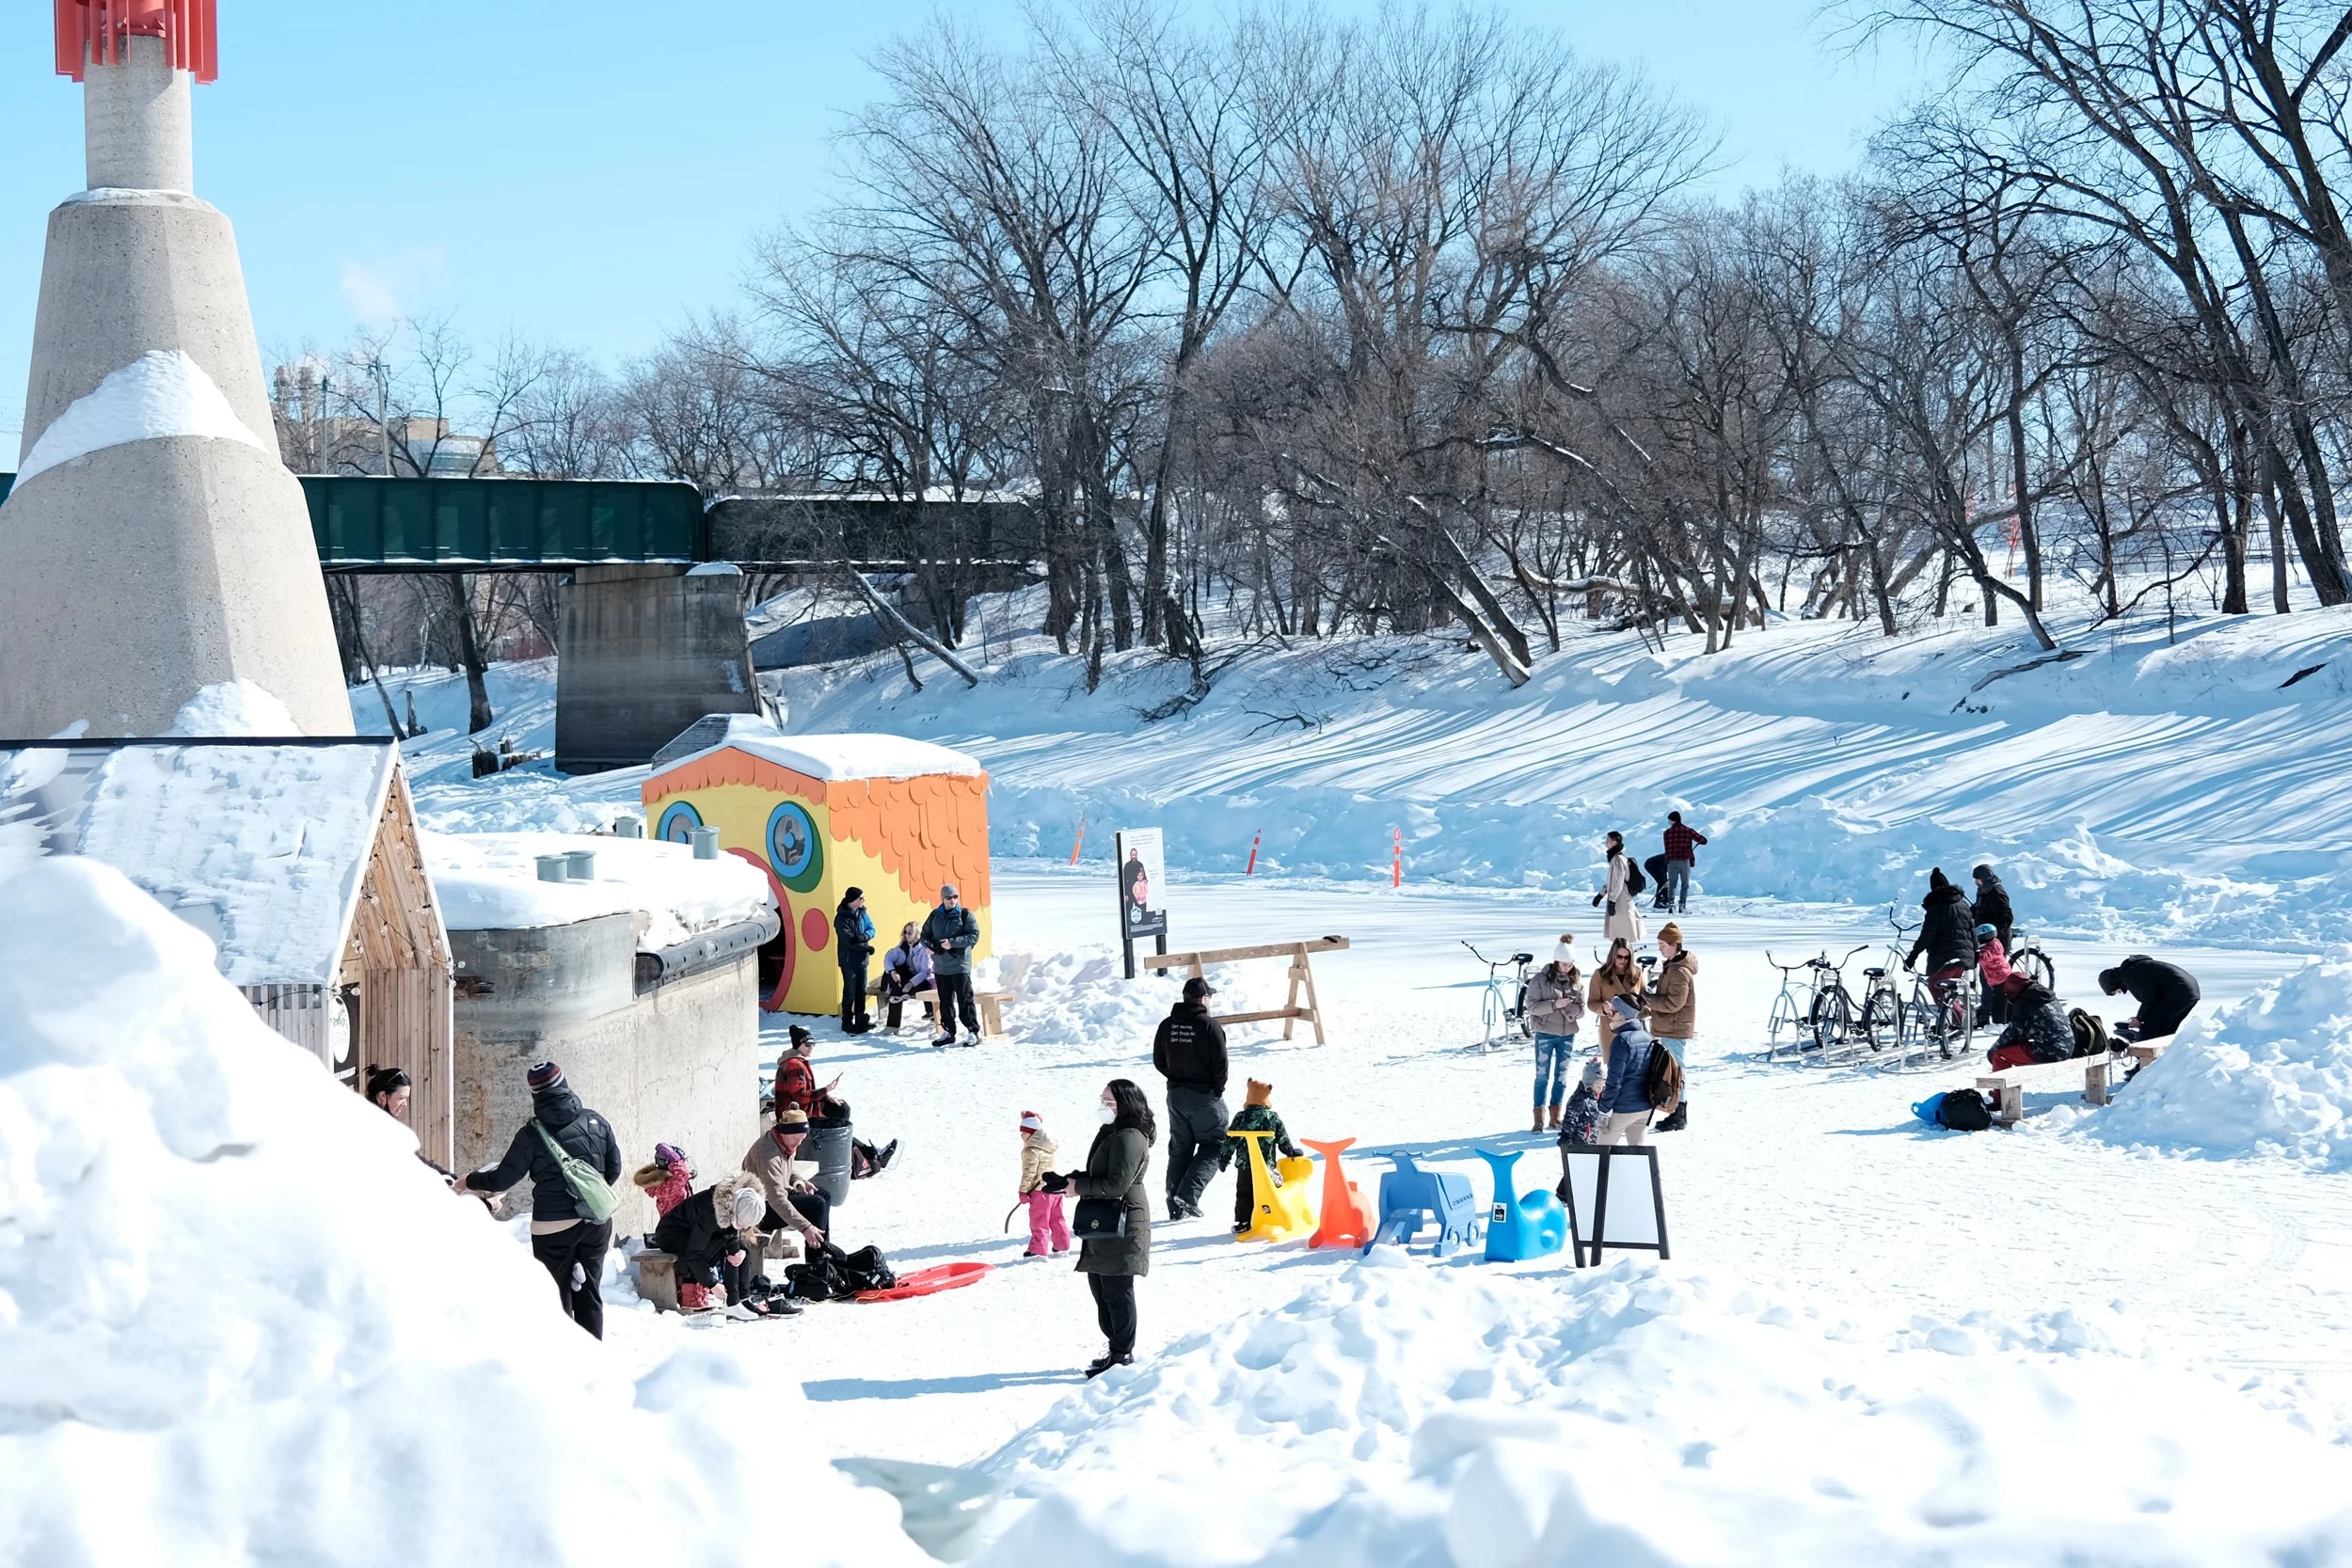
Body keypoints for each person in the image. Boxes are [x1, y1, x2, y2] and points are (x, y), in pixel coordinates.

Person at [454, 1062, 622, 1339]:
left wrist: (468, 1181)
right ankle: (593, 1363)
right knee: (590, 1291)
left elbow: (502, 1180)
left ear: (535, 1095)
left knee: (555, 1295)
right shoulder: (596, 1121)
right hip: (595, 1222)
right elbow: (613, 1170)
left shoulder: (531, 1135)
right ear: (565, 1085)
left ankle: (564, 1359)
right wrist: (586, 1198)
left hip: (553, 1228)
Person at [1036, 1078, 1154, 1378]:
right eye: (1102, 1100)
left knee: (1116, 1289)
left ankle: (1121, 1355)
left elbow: (1117, 1183)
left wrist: (1078, 1186)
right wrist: (1067, 1181)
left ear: (1126, 1103)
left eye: (1108, 1101)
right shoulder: (1111, 1132)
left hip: (1124, 1219)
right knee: (1100, 1288)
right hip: (1104, 1217)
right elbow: (1099, 1174)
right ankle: (1115, 1347)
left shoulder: (1130, 1137)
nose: (1103, 1106)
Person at [653, 1176, 795, 1317]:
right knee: (725, 1247)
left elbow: (732, 1235)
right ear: (736, 1213)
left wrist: (741, 1252)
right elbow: (694, 1254)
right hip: (671, 1234)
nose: (745, 1227)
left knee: (741, 1247)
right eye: (742, 1224)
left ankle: (742, 1299)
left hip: (693, 1232)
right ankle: (731, 1302)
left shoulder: (734, 1203)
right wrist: (712, 1284)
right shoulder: (711, 1213)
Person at [1151, 975, 1229, 1222]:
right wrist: (1216, 1089)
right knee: (1216, 1144)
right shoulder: (1209, 1025)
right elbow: (1221, 1064)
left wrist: (1176, 1078)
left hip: (1175, 1096)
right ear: (1203, 998)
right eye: (1209, 996)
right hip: (1204, 1096)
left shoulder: (1166, 1025)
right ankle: (1187, 1195)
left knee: (1181, 1147)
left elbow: (1158, 1061)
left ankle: (1174, 1200)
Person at [741, 1106, 833, 1252]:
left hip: (775, 1196)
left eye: (802, 1139)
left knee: (824, 1196)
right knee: (817, 1204)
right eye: (796, 1139)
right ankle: (817, 1262)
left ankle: (824, 1249)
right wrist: (805, 1227)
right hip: (758, 1210)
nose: (799, 1143)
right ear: (784, 1132)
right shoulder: (768, 1154)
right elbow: (776, 1199)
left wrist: (800, 1183)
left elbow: (786, 1170)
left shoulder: (784, 1142)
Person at [1521, 938, 1585, 1132]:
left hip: (1567, 1035)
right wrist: (1553, 1005)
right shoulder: (1540, 981)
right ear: (1556, 961)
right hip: (1545, 1034)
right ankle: (1538, 1118)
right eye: (1563, 963)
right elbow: (1531, 1006)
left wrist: (1576, 1011)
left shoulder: (1577, 981)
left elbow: (1583, 1008)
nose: (1566, 967)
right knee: (1542, 1076)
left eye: (1570, 963)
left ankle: (1556, 1116)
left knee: (1561, 1076)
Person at [1225, 1078, 1305, 1234]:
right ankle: (1271, 1215)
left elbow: (1231, 1139)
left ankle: (1244, 1221)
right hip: (1266, 1166)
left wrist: (1224, 1157)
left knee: (1244, 1192)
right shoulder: (1272, 1118)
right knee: (1268, 1191)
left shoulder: (1241, 1117)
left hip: (1245, 1165)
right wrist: (1289, 1151)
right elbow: (1282, 1138)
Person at [1906, 867, 1977, 1038]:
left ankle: (1960, 1022)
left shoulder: (1936, 907)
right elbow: (1972, 930)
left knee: (1936, 986)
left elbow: (1927, 936)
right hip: (1964, 956)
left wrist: (1913, 956)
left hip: (1944, 957)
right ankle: (1955, 1020)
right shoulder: (1963, 904)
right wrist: (1976, 952)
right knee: (1949, 988)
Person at [1645, 922, 1698, 1132]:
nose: (1660, 948)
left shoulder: (1678, 972)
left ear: (1674, 945)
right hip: (1668, 1027)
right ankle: (1674, 1111)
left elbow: (1673, 1003)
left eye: (1663, 944)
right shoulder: (1672, 967)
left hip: (1674, 1029)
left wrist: (1648, 1000)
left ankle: (1679, 1113)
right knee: (1670, 1071)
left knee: (1677, 1072)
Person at [922, 882, 983, 1047]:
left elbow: (974, 936)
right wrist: (928, 946)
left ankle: (972, 1031)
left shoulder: (965, 914)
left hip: (959, 965)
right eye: (949, 897)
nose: (952, 900)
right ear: (943, 899)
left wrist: (953, 943)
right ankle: (948, 1031)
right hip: (941, 966)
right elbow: (924, 934)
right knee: (945, 1000)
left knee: (965, 999)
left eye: (955, 896)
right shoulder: (935, 915)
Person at [1595, 997, 1659, 1147]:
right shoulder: (1648, 1036)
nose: (1609, 1015)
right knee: (1638, 1155)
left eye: (1613, 1012)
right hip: (1645, 1107)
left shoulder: (1622, 1041)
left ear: (1622, 1015)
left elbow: (1614, 1081)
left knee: (1601, 1154)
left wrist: (1604, 1109)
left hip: (1623, 1109)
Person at [2099, 956, 2202, 1044]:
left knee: (2150, 1031)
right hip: (2189, 992)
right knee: (2165, 1031)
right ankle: (2160, 1063)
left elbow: (2150, 998)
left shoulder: (2129, 974)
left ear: (2111, 982)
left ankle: (2143, 1064)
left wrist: (2139, 1018)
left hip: (2179, 992)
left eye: (2114, 991)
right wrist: (2141, 1018)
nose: (2119, 992)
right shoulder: (2136, 969)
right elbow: (2154, 997)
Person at [1017, 1111, 1071, 1259]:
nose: (1021, 1135)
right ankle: (1062, 1246)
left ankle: (1037, 1250)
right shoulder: (1047, 1149)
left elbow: (1029, 1173)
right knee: (1057, 1219)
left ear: (1033, 1133)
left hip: (1040, 1192)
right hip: (1055, 1190)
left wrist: (1023, 1191)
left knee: (1039, 1220)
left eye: (1024, 1132)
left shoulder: (1032, 1151)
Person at [1986, 978, 2074, 1069]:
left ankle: (2000, 1081)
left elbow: (2013, 1032)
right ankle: (2014, 1080)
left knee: (2000, 1055)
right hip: (2069, 1045)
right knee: (2016, 1049)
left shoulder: (2024, 1002)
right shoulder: (2045, 996)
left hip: (2052, 1051)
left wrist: (1994, 1049)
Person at [879, 921, 936, 1033]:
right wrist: (892, 972)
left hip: (925, 981)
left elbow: (926, 971)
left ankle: (893, 1023)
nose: (906, 935)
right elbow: (888, 957)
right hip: (909, 978)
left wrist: (911, 983)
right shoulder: (903, 946)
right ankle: (892, 1026)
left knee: (897, 990)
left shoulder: (924, 948)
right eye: (905, 932)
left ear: (917, 934)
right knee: (894, 971)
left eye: (910, 932)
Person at [1590, 832, 1645, 944]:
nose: (1606, 844)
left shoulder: (1618, 859)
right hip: (1620, 899)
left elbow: (1618, 882)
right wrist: (1601, 895)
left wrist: (1612, 901)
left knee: (1623, 935)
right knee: (1620, 935)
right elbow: (1613, 882)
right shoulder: (1616, 858)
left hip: (1621, 901)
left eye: (1608, 841)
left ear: (1614, 842)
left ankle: (1623, 958)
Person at [834, 887, 876, 1034]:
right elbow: (849, 941)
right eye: (861, 898)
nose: (863, 901)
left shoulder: (863, 912)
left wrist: (864, 938)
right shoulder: (841, 918)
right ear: (853, 900)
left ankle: (860, 1020)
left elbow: (872, 929)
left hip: (862, 959)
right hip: (849, 960)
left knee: (861, 991)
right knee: (850, 991)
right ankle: (847, 1020)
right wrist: (865, 948)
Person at [630, 1142, 695, 1218]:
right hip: (678, 1227)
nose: (685, 1167)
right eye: (682, 1163)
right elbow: (682, 1175)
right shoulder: (669, 1188)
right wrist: (674, 1158)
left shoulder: (668, 1185)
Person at [1661, 812, 1708, 915]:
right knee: (1684, 884)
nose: (1668, 821)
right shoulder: (1688, 831)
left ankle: (1671, 905)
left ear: (1673, 820)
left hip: (1671, 861)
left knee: (1672, 884)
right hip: (1684, 860)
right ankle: (1682, 907)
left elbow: (1667, 848)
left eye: (1669, 820)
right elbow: (1703, 840)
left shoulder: (1667, 833)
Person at [1587, 938, 1643, 1020]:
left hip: (1633, 1026)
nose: (1623, 960)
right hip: (1610, 1026)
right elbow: (1592, 1002)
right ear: (1613, 955)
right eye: (1619, 957)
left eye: (1626, 957)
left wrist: (1644, 1012)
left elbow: (1645, 998)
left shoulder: (1637, 973)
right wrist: (1604, 1008)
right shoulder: (1600, 974)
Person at [1559, 1057, 1605, 1145]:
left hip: (1593, 1139)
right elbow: (1570, 1118)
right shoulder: (1579, 1100)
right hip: (1580, 1141)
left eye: (1603, 1086)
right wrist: (1566, 1135)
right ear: (1589, 1083)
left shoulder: (1596, 1095)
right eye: (1599, 1086)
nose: (1601, 1089)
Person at [1970, 864, 2015, 950]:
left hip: (1997, 940)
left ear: (1984, 878)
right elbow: (1978, 908)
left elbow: (2006, 917)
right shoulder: (1983, 890)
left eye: (1977, 879)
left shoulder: (1996, 893)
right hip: (1984, 938)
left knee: (1995, 963)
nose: (1976, 881)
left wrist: (1993, 933)